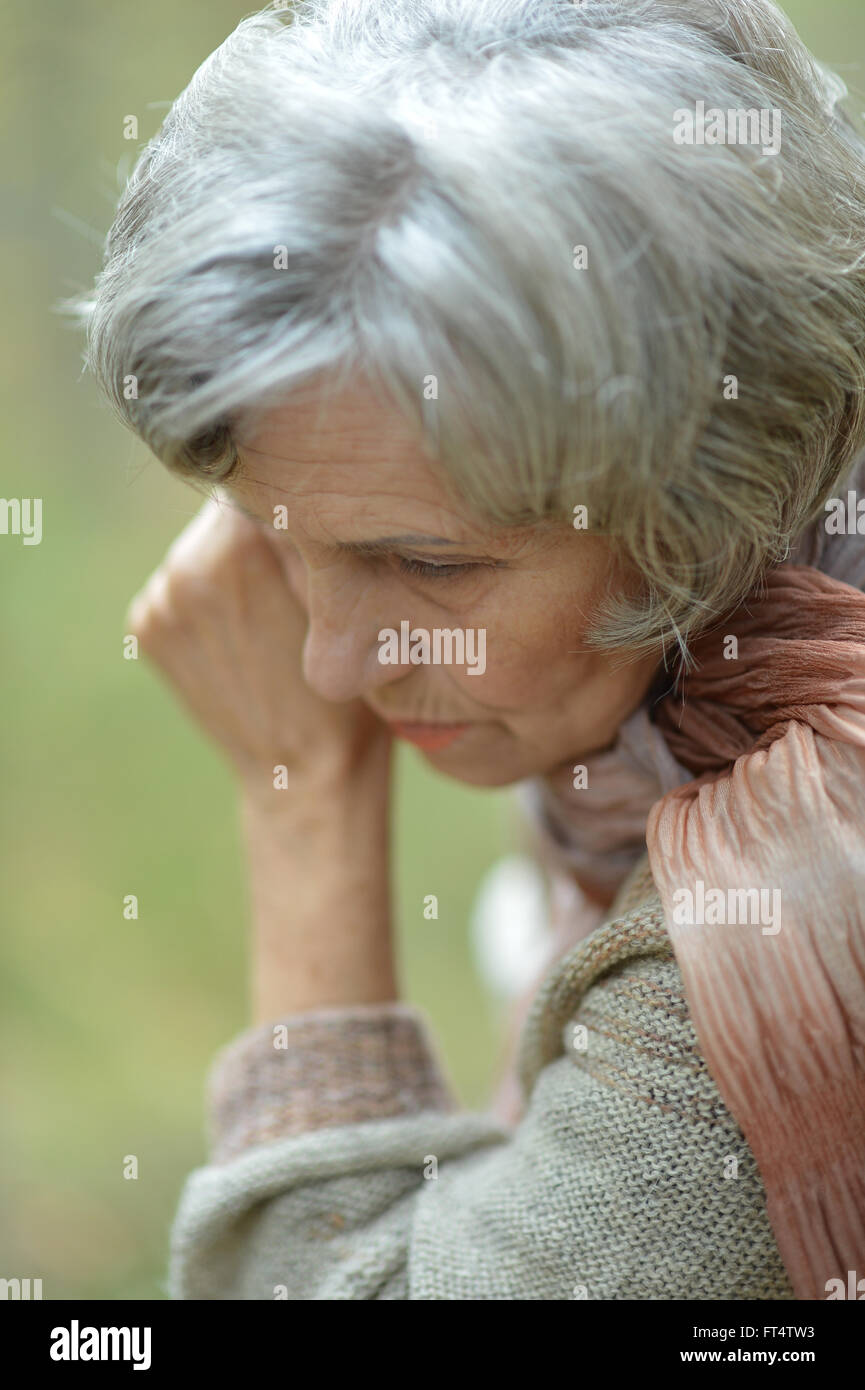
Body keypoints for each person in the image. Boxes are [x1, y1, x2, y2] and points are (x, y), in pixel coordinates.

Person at [73, 0, 865, 1299]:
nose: (328, 664)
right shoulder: (676, 687)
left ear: (720, 496)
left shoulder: (798, 902)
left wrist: (304, 806)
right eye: (273, 535)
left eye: (425, 564)